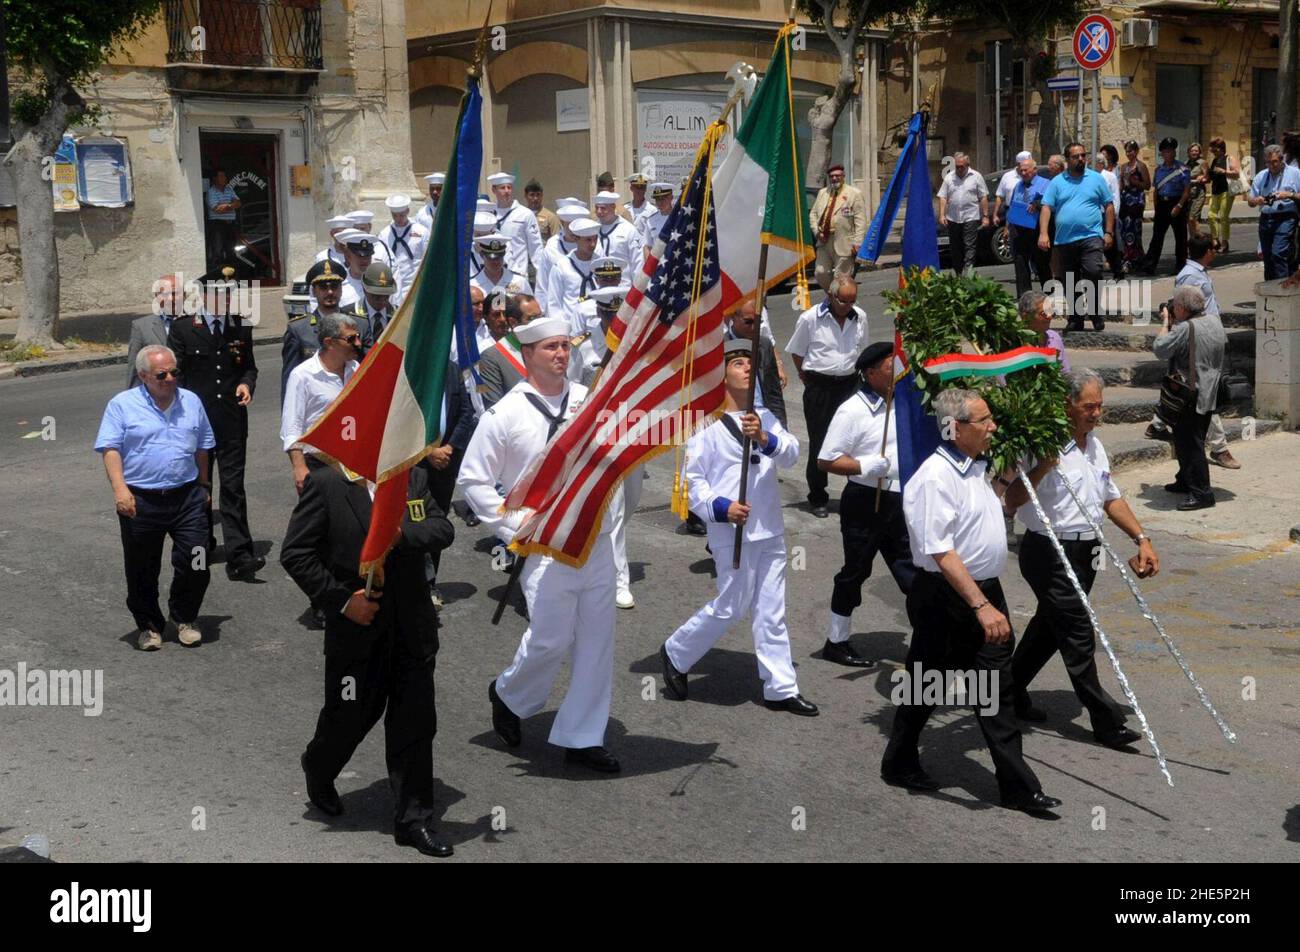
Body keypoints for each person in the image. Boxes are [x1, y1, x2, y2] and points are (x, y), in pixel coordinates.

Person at [880, 388, 1061, 816]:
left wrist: (1026, 471)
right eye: (983, 421)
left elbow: (998, 503)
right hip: (947, 598)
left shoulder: (974, 469)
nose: (992, 427)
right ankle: (900, 758)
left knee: (994, 688)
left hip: (980, 592)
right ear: (954, 428)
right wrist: (981, 606)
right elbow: (940, 551)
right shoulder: (934, 478)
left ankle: (1017, 787)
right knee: (928, 683)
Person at [458, 316, 625, 773]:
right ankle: (509, 694)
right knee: (551, 639)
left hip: (596, 541)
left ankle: (583, 735)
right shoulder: (505, 414)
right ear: (528, 354)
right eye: (550, 347)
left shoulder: (591, 403)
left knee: (596, 641)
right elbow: (473, 481)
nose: (561, 354)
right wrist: (515, 529)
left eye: (565, 347)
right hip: (546, 550)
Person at [281, 459, 455, 858]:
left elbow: (441, 528)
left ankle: (414, 821)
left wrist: (400, 534)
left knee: (415, 721)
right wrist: (342, 602)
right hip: (357, 629)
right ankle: (319, 766)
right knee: (349, 716)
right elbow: (296, 553)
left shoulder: (411, 476)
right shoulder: (326, 483)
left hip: (412, 625)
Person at [659, 339, 817, 715]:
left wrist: (765, 436)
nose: (747, 367)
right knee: (731, 605)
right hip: (731, 528)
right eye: (737, 363)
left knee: (772, 609)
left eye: (749, 361)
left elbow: (793, 454)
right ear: (721, 375)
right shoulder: (705, 425)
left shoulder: (764, 416)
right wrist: (721, 507)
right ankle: (677, 651)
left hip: (769, 526)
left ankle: (780, 687)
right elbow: (693, 482)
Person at [1002, 369, 1157, 749]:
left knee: (1050, 628)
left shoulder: (1095, 446)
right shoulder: (1041, 443)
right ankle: (1105, 720)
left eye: (1100, 406)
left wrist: (1141, 539)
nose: (1096, 413)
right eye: (1089, 406)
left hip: (1086, 551)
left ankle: (1006, 691)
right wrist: (1042, 467)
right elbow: (1012, 499)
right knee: (1077, 632)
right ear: (1067, 405)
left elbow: (1110, 499)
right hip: (1047, 550)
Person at [96, 345, 215, 650]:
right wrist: (120, 490)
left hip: (187, 495)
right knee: (141, 567)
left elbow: (203, 445)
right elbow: (111, 449)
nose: (170, 379)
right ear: (143, 376)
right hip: (141, 499)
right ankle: (149, 626)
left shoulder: (191, 401)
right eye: (162, 374)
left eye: (175, 372)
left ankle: (185, 616)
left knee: (197, 558)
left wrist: (204, 485)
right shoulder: (122, 405)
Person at [816, 341, 915, 667]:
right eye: (891, 364)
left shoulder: (904, 401)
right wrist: (862, 466)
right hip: (865, 500)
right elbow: (827, 460)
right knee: (856, 571)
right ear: (871, 373)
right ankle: (837, 639)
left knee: (913, 574)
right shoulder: (853, 409)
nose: (898, 367)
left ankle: (927, 642)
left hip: (900, 500)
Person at [168, 267, 264, 582]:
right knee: (199, 489)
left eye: (228, 293)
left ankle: (240, 556)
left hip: (232, 420)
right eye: (216, 293)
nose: (223, 299)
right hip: (197, 425)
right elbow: (176, 375)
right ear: (204, 296)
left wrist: (246, 384)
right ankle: (201, 547)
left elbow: (249, 367)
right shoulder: (184, 329)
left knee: (234, 488)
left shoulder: (241, 326)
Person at [1144, 234, 1240, 469]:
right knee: (1204, 392)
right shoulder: (1189, 275)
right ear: (1207, 250)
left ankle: (1157, 424)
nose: (1216, 252)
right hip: (1196, 338)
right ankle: (1219, 448)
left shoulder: (1198, 272)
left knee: (1194, 389)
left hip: (1206, 335)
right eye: (1214, 248)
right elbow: (1182, 307)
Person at [785, 274, 867, 517]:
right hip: (820, 386)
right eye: (843, 301)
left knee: (855, 440)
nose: (848, 306)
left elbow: (862, 349)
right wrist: (805, 376)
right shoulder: (810, 318)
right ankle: (818, 496)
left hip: (850, 384)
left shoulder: (860, 317)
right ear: (831, 296)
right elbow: (797, 352)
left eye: (852, 301)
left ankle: (857, 493)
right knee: (820, 442)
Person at [1153, 285, 1226, 511]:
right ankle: (1185, 480)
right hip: (1209, 389)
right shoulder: (1214, 321)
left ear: (1182, 308)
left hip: (1189, 393)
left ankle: (1202, 492)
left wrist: (1166, 323)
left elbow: (1160, 348)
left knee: (1190, 443)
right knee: (1187, 440)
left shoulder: (1185, 328)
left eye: (1175, 305)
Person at [281, 312, 362, 495]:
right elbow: (292, 426)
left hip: (353, 460)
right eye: (350, 339)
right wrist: (299, 467)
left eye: (358, 337)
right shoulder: (302, 376)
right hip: (320, 463)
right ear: (329, 342)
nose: (358, 343)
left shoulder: (356, 369)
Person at [1038, 142, 1114, 332]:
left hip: (1091, 236)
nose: (1081, 159)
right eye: (1076, 156)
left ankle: (1095, 312)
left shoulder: (1096, 179)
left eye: (1083, 155)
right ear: (1067, 160)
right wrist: (1044, 233)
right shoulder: (1057, 182)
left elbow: (1109, 206)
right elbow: (1047, 207)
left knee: (1093, 271)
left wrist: (1109, 232)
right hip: (1065, 240)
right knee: (1070, 279)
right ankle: (1076, 318)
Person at [283, 259, 361, 405]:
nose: (330, 292)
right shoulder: (299, 329)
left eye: (335, 286)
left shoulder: (359, 325)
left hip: (354, 404)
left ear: (341, 289)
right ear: (313, 291)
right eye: (323, 288)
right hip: (316, 409)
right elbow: (290, 381)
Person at [476, 292, 542, 409]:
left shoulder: (549, 347)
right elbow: (494, 407)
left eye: (540, 317)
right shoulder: (489, 356)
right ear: (513, 322)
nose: (539, 322)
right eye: (532, 318)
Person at [726, 301, 787, 426]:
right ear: (733, 317)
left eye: (758, 322)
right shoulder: (719, 348)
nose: (754, 327)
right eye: (748, 322)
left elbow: (774, 394)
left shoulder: (764, 345)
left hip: (765, 421)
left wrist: (781, 426)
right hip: (733, 423)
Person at [808, 163, 867, 291]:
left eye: (837, 176)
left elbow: (860, 220)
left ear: (843, 176)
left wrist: (858, 242)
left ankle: (839, 301)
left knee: (841, 277)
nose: (834, 179)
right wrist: (816, 231)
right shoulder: (823, 193)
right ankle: (833, 296)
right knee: (820, 272)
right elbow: (813, 214)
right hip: (824, 240)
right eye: (832, 176)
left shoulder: (854, 194)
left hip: (844, 241)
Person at [1139, 137, 1191, 276]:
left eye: (1170, 151)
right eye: (1165, 151)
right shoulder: (1159, 170)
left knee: (1180, 237)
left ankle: (1181, 266)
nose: (1168, 154)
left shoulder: (1182, 169)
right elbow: (1156, 189)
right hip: (1162, 204)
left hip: (1176, 202)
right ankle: (1149, 265)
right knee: (1157, 237)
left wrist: (1179, 206)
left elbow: (1186, 190)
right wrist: (1156, 206)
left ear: (1174, 152)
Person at [1248, 144, 1300, 281]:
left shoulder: (1295, 173)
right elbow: (1250, 201)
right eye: (1268, 162)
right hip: (1266, 218)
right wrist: (1257, 200)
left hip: (1286, 218)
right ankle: (1270, 291)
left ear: (1282, 160)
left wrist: (1289, 194)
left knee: (1278, 253)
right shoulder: (1261, 176)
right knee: (1268, 257)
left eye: (1275, 162)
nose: (1272, 165)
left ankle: (1282, 288)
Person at [125, 274, 183, 390]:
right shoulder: (141, 327)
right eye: (165, 294)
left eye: (175, 293)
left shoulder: (197, 323)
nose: (171, 299)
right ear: (157, 296)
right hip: (157, 394)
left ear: (184, 295)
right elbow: (135, 369)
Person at [937, 152, 989, 276]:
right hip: (953, 218)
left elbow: (983, 197)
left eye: (962, 167)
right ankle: (959, 273)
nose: (959, 169)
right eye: (957, 167)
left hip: (970, 217)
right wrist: (942, 215)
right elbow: (943, 196)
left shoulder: (976, 176)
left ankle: (968, 271)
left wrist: (985, 216)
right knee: (955, 248)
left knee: (969, 245)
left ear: (968, 165)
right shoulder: (950, 177)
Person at [1006, 158, 1052, 297]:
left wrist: (1037, 204)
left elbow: (1049, 203)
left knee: (1041, 263)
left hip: (1037, 227)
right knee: (1020, 261)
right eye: (1021, 170)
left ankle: (1048, 295)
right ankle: (1024, 295)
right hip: (1019, 228)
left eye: (1026, 170)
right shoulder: (1018, 186)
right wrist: (1007, 227)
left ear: (1034, 170)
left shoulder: (1046, 184)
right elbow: (1012, 205)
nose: (1024, 172)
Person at [487, 171, 544, 279]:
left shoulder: (525, 214)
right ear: (494, 190)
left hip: (517, 275)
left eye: (509, 187)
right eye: (502, 188)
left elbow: (536, 248)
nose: (507, 191)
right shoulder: (489, 215)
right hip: (493, 276)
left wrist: (542, 276)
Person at [545, 217, 600, 327]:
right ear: (576, 239)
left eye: (595, 239)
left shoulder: (601, 264)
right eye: (588, 240)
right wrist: (562, 329)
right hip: (571, 327)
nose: (593, 244)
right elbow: (554, 303)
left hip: (598, 324)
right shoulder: (561, 266)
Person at [535, 203, 587, 300]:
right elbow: (542, 283)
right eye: (570, 225)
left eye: (577, 225)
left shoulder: (592, 246)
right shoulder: (552, 248)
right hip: (559, 304)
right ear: (562, 224)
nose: (573, 230)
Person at [378, 194, 428, 294]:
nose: (398, 219)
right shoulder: (384, 234)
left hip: (414, 283)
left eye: (402, 215)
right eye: (395, 215)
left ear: (407, 211)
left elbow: (427, 258)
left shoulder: (421, 231)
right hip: (392, 283)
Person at [591, 191, 643, 284]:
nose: (599, 212)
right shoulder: (592, 230)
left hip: (623, 287)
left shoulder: (628, 230)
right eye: (597, 208)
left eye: (603, 208)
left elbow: (638, 262)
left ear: (613, 207)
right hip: (599, 287)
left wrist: (637, 291)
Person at [1117, 140, 1151, 269]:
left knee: (1134, 230)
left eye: (1131, 151)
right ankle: (1127, 257)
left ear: (1136, 151)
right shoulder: (1124, 166)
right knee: (1123, 230)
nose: (1128, 153)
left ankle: (1135, 259)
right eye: (1127, 151)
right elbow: (1121, 183)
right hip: (1125, 200)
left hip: (1136, 201)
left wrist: (1135, 182)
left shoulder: (1141, 166)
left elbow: (1147, 185)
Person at [1018, 290, 1069, 372]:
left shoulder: (1054, 337)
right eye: (1044, 313)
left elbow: (1065, 373)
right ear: (1026, 316)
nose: (1050, 318)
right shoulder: (1013, 342)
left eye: (1051, 313)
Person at [471, 233, 533, 298]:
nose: (495, 262)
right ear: (482, 255)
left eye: (499, 257)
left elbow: (531, 306)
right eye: (490, 258)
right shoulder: (472, 285)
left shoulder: (519, 282)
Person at [1206, 137, 1239, 254]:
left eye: (1215, 150)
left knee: (1224, 217)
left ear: (1221, 149)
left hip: (1226, 190)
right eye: (1212, 151)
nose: (1213, 153)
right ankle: (1215, 240)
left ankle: (1224, 243)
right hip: (1215, 191)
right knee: (1211, 215)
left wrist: (1224, 172)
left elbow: (1236, 173)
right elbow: (1210, 176)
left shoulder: (1229, 158)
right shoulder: (1215, 161)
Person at [1097, 145, 1125, 279]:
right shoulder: (1090, 177)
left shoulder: (1110, 176)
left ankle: (1118, 271)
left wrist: (1115, 214)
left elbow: (1115, 196)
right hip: (1095, 214)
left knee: (1110, 245)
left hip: (1107, 214)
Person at [205, 169, 240, 270]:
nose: (224, 178)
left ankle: (232, 276)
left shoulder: (229, 190)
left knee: (231, 251)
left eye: (224, 176)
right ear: (215, 179)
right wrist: (231, 205)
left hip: (230, 224)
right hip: (217, 225)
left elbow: (238, 203)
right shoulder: (211, 192)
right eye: (221, 176)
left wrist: (226, 205)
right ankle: (218, 277)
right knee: (218, 251)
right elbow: (217, 209)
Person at [993, 151, 1033, 226]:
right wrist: (995, 214)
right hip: (1011, 211)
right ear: (1018, 164)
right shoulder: (1007, 176)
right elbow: (1000, 196)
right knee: (1012, 235)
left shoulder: (1033, 176)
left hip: (1029, 211)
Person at [638, 182, 675, 250]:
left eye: (663, 199)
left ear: (671, 198)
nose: (660, 203)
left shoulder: (679, 218)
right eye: (657, 199)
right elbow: (647, 246)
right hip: (658, 260)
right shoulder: (650, 221)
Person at [524, 180, 561, 245]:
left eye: (538, 195)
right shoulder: (521, 215)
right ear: (526, 196)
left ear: (542, 196)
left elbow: (557, 241)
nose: (535, 198)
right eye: (532, 195)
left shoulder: (550, 217)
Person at [1185, 142, 1210, 237]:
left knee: (1192, 218)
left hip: (1198, 194)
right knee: (1188, 219)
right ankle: (1193, 242)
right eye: (1192, 151)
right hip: (1188, 194)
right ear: (1189, 152)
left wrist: (1200, 179)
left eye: (1196, 150)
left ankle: (1206, 239)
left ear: (1199, 152)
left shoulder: (1202, 163)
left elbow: (1207, 178)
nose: (1194, 152)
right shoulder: (1186, 163)